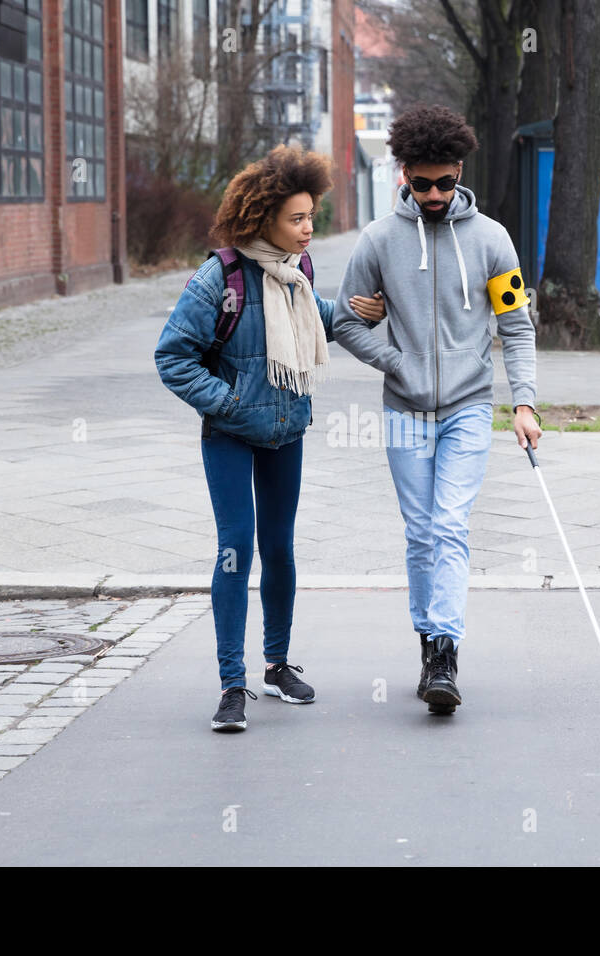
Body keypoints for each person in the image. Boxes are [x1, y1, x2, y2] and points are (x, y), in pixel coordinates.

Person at [153, 145, 386, 732]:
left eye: (311, 216)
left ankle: (277, 664)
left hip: (286, 430)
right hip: (231, 433)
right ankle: (232, 685)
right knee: (236, 547)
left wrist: (354, 312)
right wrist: (229, 404)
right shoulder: (220, 277)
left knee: (279, 548)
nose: (310, 230)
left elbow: (304, 319)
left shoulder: (297, 272)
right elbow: (172, 357)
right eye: (297, 219)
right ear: (263, 220)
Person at [331, 105, 541, 716]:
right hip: (404, 410)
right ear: (403, 175)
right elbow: (345, 320)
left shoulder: (492, 239)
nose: (433, 194)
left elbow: (516, 327)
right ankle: (428, 641)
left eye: (445, 182)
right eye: (420, 183)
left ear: (459, 174)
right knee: (420, 532)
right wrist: (392, 360)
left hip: (470, 407)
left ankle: (445, 651)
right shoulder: (377, 241)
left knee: (449, 525)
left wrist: (524, 402)